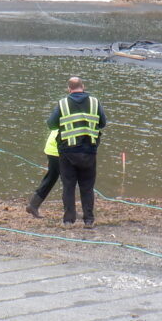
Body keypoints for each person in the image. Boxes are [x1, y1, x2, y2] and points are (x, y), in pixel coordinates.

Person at [46, 76, 106, 227]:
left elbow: (51, 124)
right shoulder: (94, 102)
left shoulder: (63, 104)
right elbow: (103, 123)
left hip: (67, 152)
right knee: (87, 187)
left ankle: (68, 220)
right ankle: (89, 220)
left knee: (68, 186)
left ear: (69, 89)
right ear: (83, 86)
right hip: (89, 151)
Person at [24, 127, 59, 219]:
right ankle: (70, 212)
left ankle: (33, 205)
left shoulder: (62, 112)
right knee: (69, 180)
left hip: (53, 147)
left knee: (51, 177)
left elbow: (51, 123)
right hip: (59, 149)